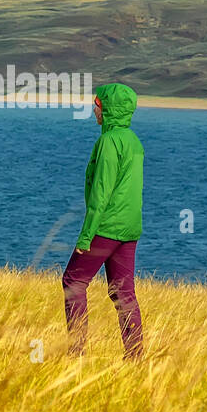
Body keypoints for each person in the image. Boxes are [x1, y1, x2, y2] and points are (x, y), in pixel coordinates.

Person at [61, 82, 145, 360]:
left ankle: (77, 353)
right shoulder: (133, 140)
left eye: (96, 104)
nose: (93, 109)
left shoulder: (108, 142)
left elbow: (101, 192)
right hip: (129, 228)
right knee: (123, 293)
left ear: (107, 109)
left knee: (73, 281)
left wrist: (86, 236)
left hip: (106, 226)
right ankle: (134, 357)